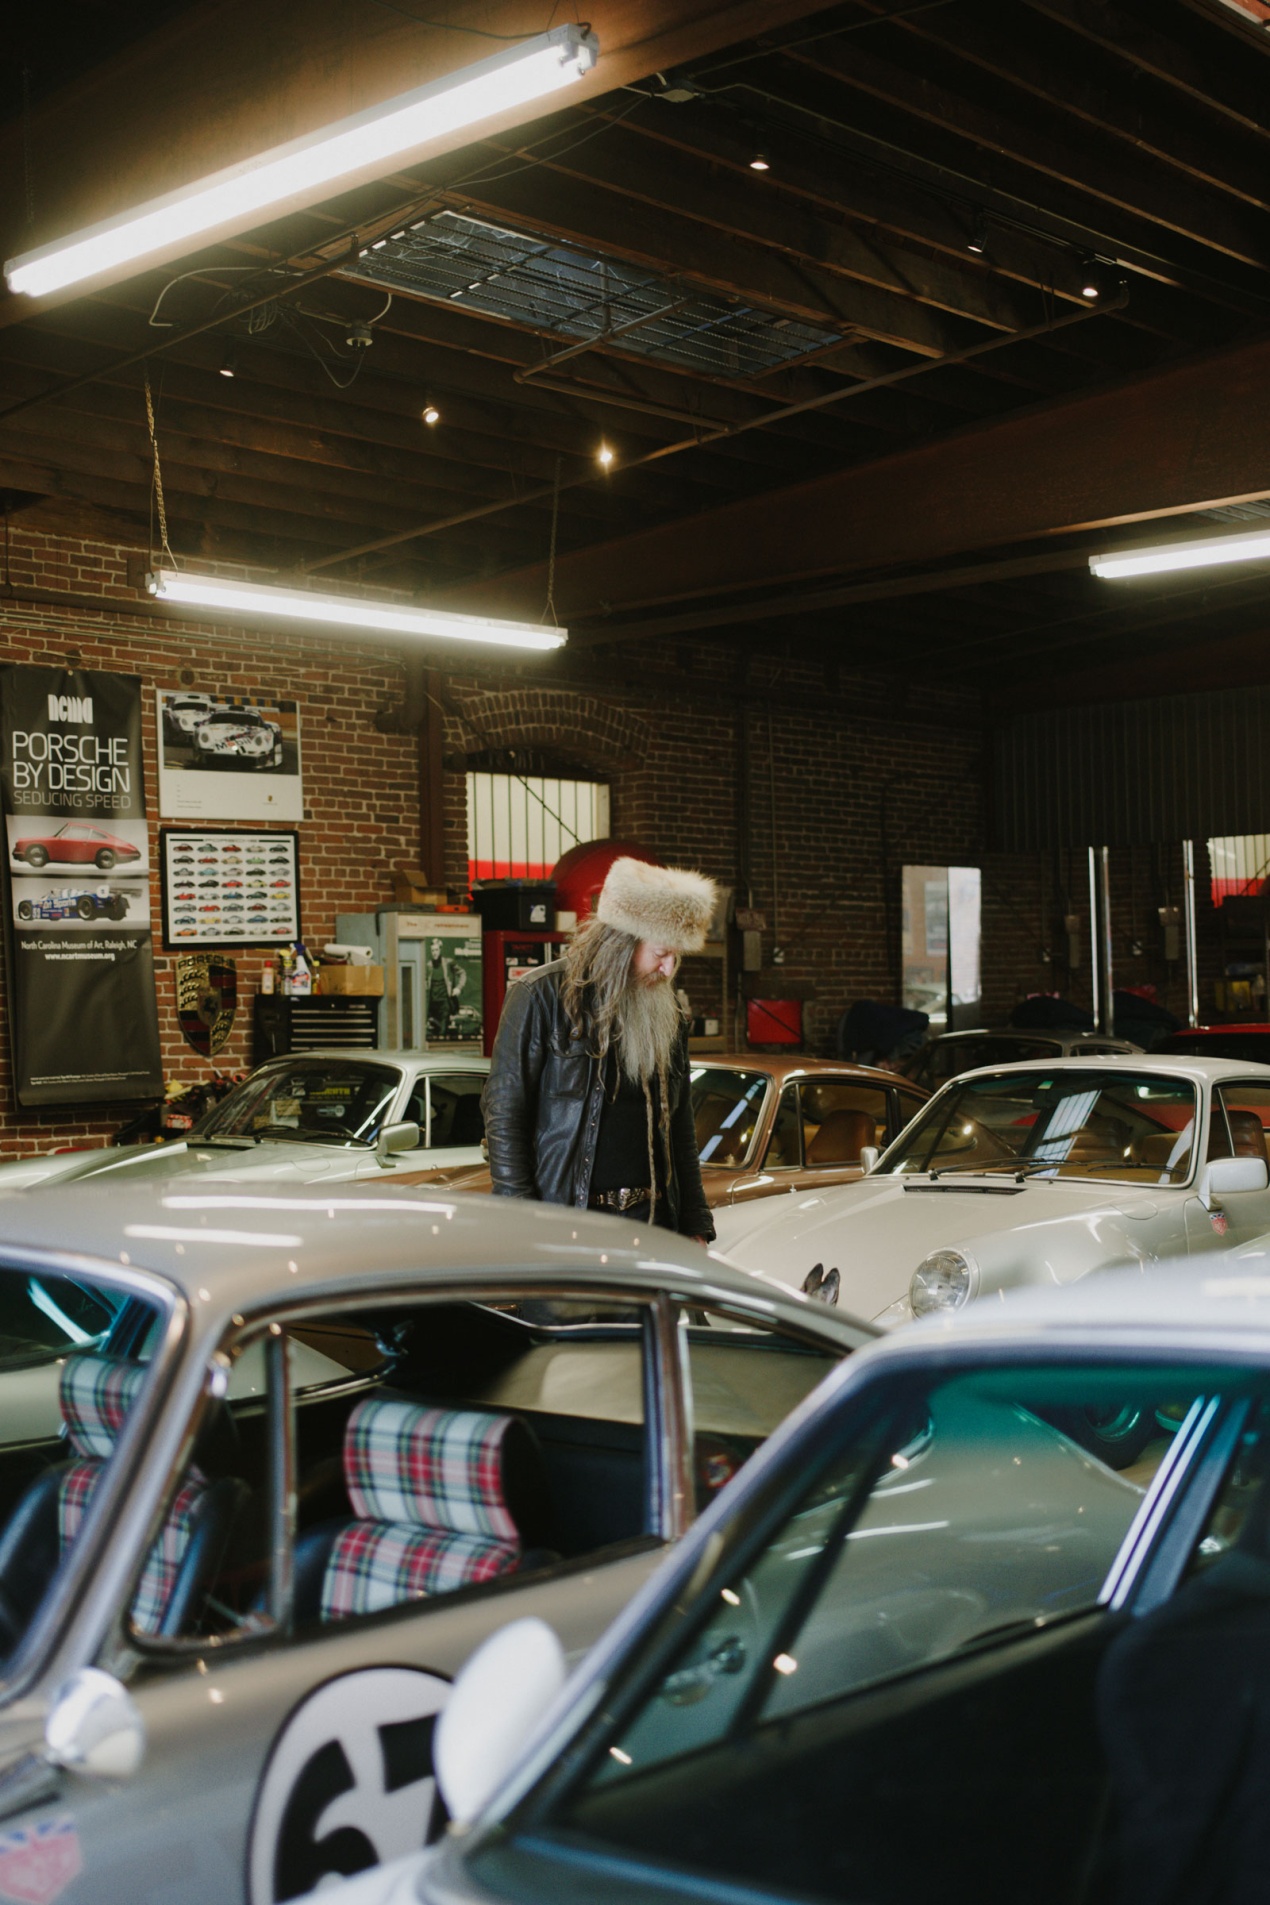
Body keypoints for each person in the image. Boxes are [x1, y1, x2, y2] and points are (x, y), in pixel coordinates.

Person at [481, 857, 717, 1241]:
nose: (669, 969)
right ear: (621, 944)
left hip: (654, 1225)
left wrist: (695, 1223)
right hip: (567, 1225)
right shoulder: (539, 996)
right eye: (661, 953)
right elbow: (504, 1116)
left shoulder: (669, 1014)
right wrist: (521, 1219)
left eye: (677, 956)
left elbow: (680, 1128)